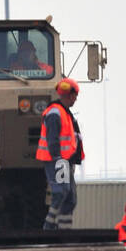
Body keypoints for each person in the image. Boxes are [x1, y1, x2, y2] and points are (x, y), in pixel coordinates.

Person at [35, 77, 85, 230]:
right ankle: (49, 228)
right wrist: (59, 160)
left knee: (70, 198)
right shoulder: (55, 113)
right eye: (75, 96)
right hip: (57, 160)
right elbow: (53, 141)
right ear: (69, 95)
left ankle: (64, 230)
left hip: (64, 161)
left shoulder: (64, 113)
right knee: (61, 193)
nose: (76, 99)